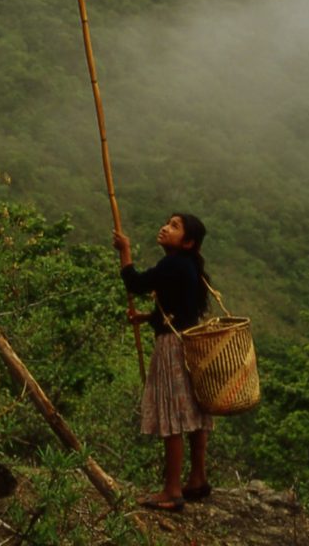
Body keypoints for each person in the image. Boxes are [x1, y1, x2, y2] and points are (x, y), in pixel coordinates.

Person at [113, 212, 214, 513]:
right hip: (190, 341)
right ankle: (197, 478)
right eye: (167, 223)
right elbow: (177, 309)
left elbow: (136, 284)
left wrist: (125, 251)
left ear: (188, 242)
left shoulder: (173, 263)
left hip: (172, 348)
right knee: (194, 413)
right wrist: (146, 318)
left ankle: (172, 490)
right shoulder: (188, 266)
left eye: (174, 227)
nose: (165, 228)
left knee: (173, 418)